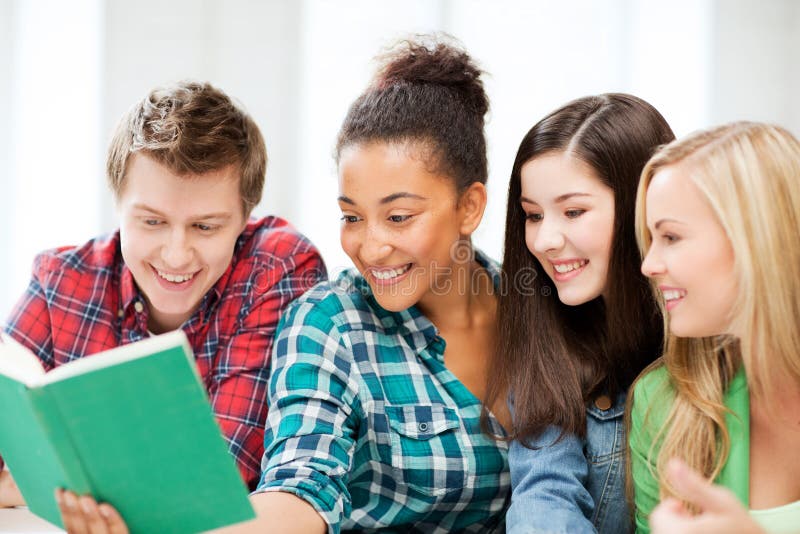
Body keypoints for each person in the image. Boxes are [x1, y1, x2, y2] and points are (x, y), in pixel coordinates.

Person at [50, 35, 509, 534]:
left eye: (398, 217)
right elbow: (298, 488)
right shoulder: (330, 323)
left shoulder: (541, 314)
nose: (371, 247)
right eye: (351, 217)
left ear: (470, 207)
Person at [0, 81, 326, 508]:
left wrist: (44, 485)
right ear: (118, 204)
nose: (176, 255)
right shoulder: (59, 280)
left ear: (246, 217)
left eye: (205, 226)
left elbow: (217, 475)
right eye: (152, 222)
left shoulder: (276, 267)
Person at [484, 94, 674, 533]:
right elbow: (544, 497)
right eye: (532, 215)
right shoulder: (547, 346)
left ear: (640, 207)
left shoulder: (711, 338)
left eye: (573, 211)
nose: (545, 240)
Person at [631, 121, 800, 533]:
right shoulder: (665, 406)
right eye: (651, 239)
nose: (648, 265)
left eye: (671, 236)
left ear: (755, 238)